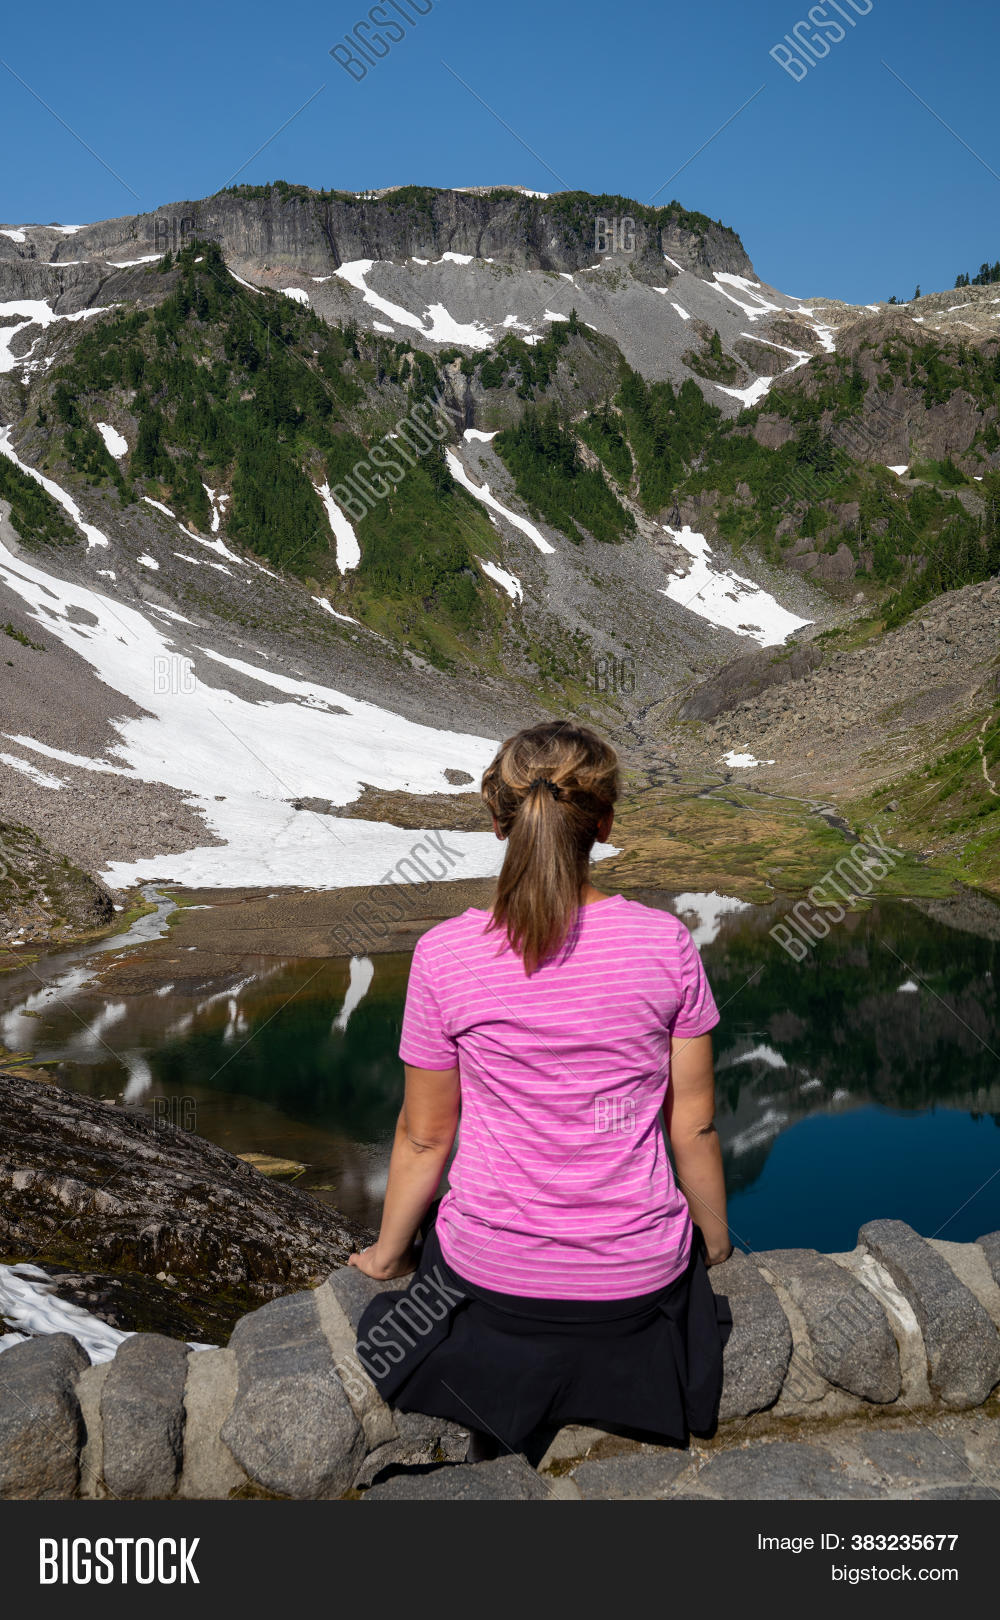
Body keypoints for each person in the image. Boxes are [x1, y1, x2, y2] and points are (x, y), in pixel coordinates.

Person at [350, 721, 732, 1464]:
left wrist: (388, 1257)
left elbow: (426, 1136)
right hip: (639, 1282)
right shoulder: (666, 943)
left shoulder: (445, 955)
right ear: (606, 823)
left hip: (492, 1282)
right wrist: (712, 1239)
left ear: (499, 821)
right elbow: (694, 1126)